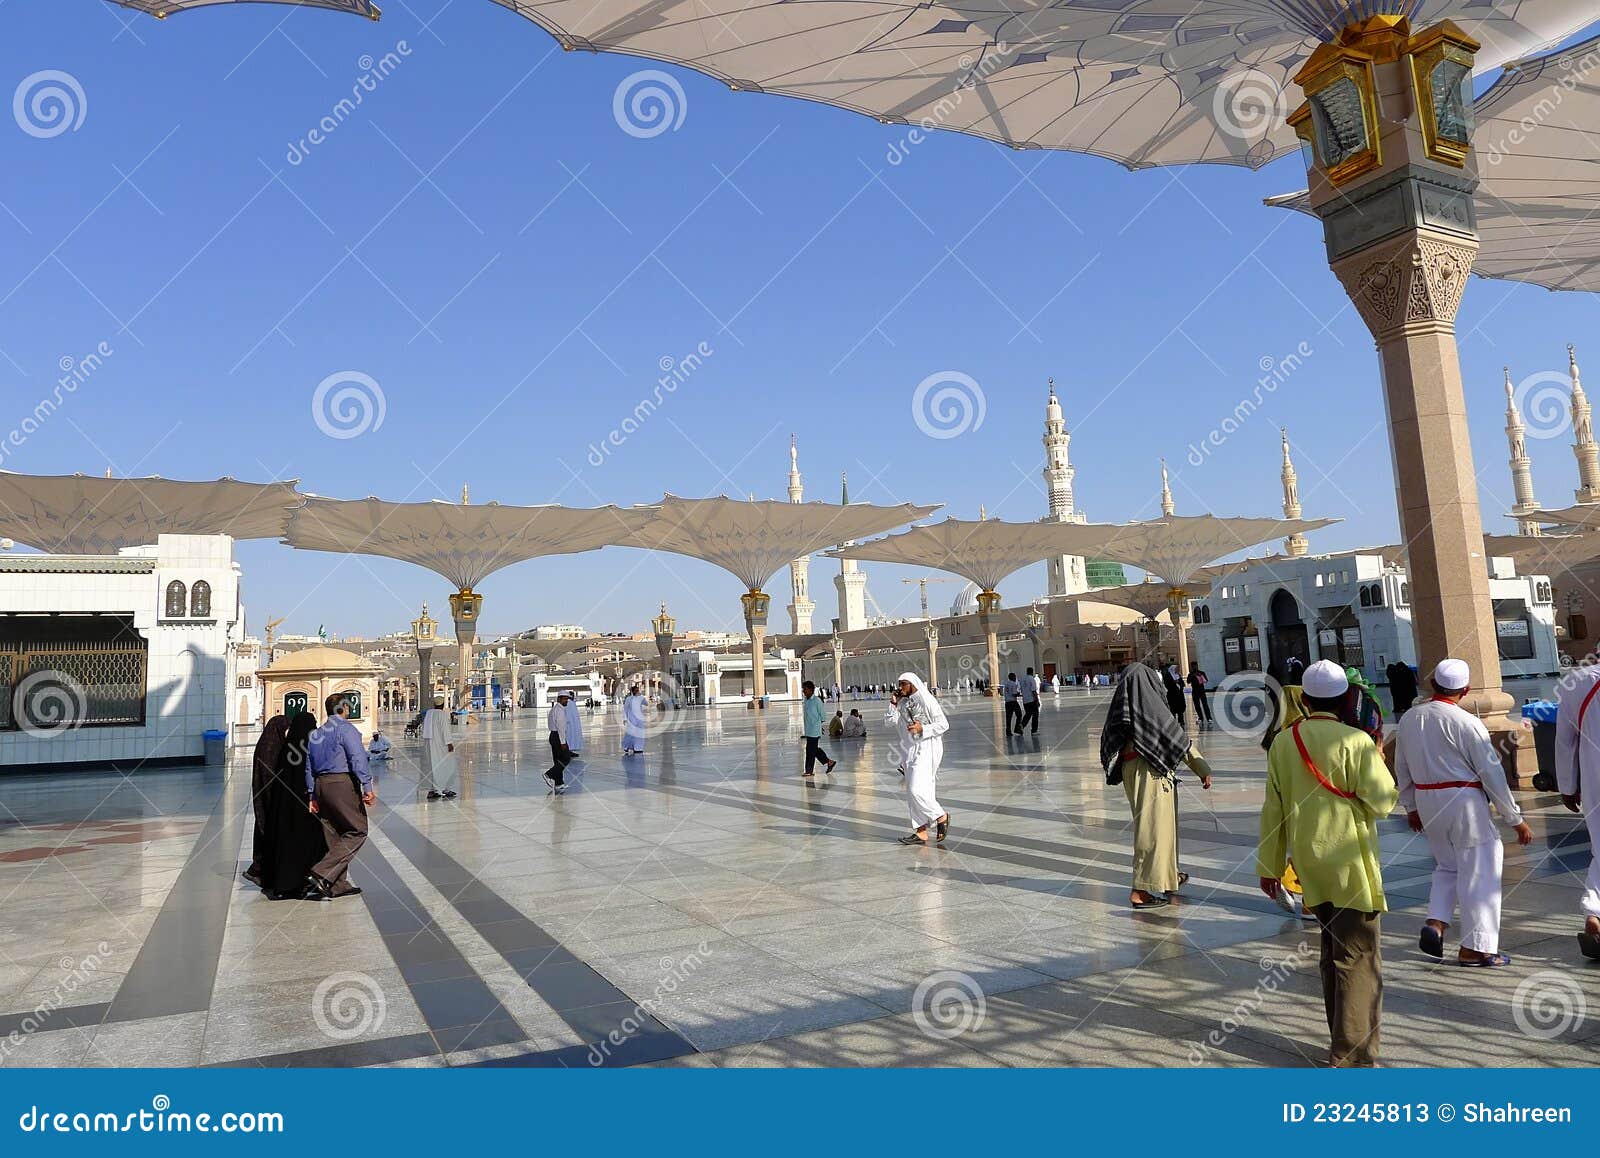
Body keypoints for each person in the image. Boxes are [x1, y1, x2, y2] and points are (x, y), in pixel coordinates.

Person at [1257, 660, 1397, 1067]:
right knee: (1357, 956)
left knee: (1332, 950)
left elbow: (1272, 811)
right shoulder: (1356, 741)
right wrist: (1379, 759)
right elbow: (1383, 801)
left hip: (1309, 862)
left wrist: (1269, 866)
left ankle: (1341, 1037)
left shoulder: (1284, 742)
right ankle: (1349, 1053)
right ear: (1345, 698)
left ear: (1305, 698)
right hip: (1349, 862)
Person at [1393, 659, 1531, 967]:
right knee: (1481, 868)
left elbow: (1401, 766)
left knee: (1447, 866)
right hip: (1462, 799)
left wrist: (1411, 806)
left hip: (1427, 799)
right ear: (1466, 690)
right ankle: (1476, 948)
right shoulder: (1467, 722)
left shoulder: (1410, 719)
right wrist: (1515, 818)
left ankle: (1436, 923)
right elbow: (1491, 773)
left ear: (1433, 684)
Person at [1101, 663, 1213, 910]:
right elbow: (1177, 738)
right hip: (1149, 772)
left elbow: (1110, 739)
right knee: (1152, 829)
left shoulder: (1124, 705)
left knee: (1160, 827)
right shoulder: (1150, 706)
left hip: (1134, 769)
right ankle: (1140, 890)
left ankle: (1168, 876)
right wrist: (1201, 768)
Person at [305, 694, 374, 899]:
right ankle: (322, 871)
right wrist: (367, 785)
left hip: (321, 785)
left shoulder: (316, 734)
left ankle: (337, 885)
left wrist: (312, 793)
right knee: (358, 830)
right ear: (343, 708)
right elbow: (357, 757)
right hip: (341, 783)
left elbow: (308, 765)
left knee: (333, 833)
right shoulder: (346, 729)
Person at [1553, 663, 1600, 961]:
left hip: (1595, 777)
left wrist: (1567, 786)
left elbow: (1565, 740)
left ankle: (1594, 911)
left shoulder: (1576, 681)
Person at [260, 711, 329, 900]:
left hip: (285, 807)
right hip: (305, 804)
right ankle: (304, 880)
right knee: (307, 842)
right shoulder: (310, 747)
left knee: (287, 843)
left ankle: (284, 883)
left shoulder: (286, 750)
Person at [890, 672, 949, 844]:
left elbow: (944, 724)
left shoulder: (927, 700)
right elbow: (892, 722)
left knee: (916, 789)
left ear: (913, 684)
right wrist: (894, 703)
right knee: (912, 792)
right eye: (900, 684)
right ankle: (921, 831)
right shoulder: (903, 702)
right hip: (909, 749)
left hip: (927, 747)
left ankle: (940, 815)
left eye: (904, 684)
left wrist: (923, 729)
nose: (901, 688)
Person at [244, 714, 290, 887]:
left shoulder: (267, 744)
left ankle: (260, 868)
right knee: (267, 829)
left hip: (264, 796)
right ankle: (260, 869)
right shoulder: (271, 750)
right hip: (268, 797)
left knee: (263, 827)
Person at [419, 695, 457, 800]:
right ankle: (442, 789)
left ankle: (436, 789)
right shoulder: (442, 714)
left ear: (434, 704)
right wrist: (449, 743)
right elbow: (445, 729)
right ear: (443, 704)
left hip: (429, 744)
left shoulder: (429, 713)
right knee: (448, 766)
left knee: (432, 767)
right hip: (441, 744)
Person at [800, 680, 837, 778]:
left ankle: (809, 771)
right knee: (814, 749)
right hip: (808, 730)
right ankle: (829, 762)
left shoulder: (817, 701)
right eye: (803, 689)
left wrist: (818, 725)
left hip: (814, 730)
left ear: (811, 690)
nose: (804, 691)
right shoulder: (806, 701)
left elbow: (823, 716)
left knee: (810, 751)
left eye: (805, 689)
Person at [546, 690, 573, 793]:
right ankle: (549, 774)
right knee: (566, 758)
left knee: (558, 760)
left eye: (567, 699)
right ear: (559, 699)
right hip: (558, 737)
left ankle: (559, 783)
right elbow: (561, 727)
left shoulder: (554, 709)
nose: (566, 701)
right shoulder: (560, 711)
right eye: (564, 699)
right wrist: (563, 742)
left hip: (553, 735)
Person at [622, 684, 648, 754]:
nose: (637, 691)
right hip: (631, 719)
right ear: (633, 691)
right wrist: (625, 718)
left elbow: (646, 703)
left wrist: (642, 697)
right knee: (631, 733)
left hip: (639, 719)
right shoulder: (629, 699)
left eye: (638, 690)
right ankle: (626, 746)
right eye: (636, 690)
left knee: (640, 733)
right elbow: (625, 709)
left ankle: (638, 748)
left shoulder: (641, 698)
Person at [1188, 663, 1213, 728]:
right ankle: (1200, 718)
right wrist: (1192, 676)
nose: (1194, 667)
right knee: (1197, 705)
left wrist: (1200, 676)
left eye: (1195, 666)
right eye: (1193, 666)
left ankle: (1209, 718)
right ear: (1191, 667)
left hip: (1201, 691)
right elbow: (1188, 681)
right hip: (1195, 691)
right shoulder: (1190, 674)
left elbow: (1206, 680)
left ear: (1197, 666)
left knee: (1205, 705)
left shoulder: (1201, 673)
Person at [1020, 667, 1042, 734]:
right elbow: (1033, 691)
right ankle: (1034, 730)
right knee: (1035, 715)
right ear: (1032, 672)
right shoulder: (1031, 679)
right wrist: (1037, 700)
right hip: (1031, 700)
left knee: (1028, 714)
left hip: (1025, 700)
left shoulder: (1022, 679)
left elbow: (1021, 689)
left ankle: (1021, 726)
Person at [564, 690, 585, 756]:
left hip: (572, 724)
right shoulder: (569, 703)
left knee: (571, 737)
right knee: (569, 737)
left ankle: (570, 751)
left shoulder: (571, 703)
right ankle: (568, 751)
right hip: (569, 725)